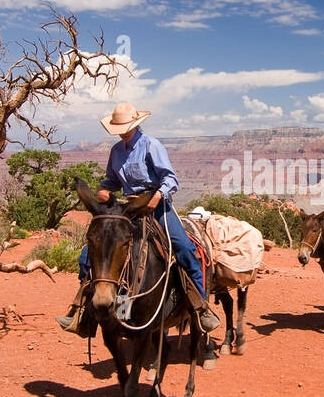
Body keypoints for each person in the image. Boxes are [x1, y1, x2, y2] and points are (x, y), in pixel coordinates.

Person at [58, 102, 219, 333]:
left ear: (134, 125)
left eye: (124, 126)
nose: (122, 130)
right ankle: (85, 311)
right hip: (127, 209)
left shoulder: (151, 145)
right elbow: (112, 180)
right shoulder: (116, 151)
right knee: (89, 254)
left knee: (183, 248)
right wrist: (105, 189)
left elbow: (170, 179)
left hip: (156, 205)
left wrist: (157, 196)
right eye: (119, 127)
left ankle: (200, 307)